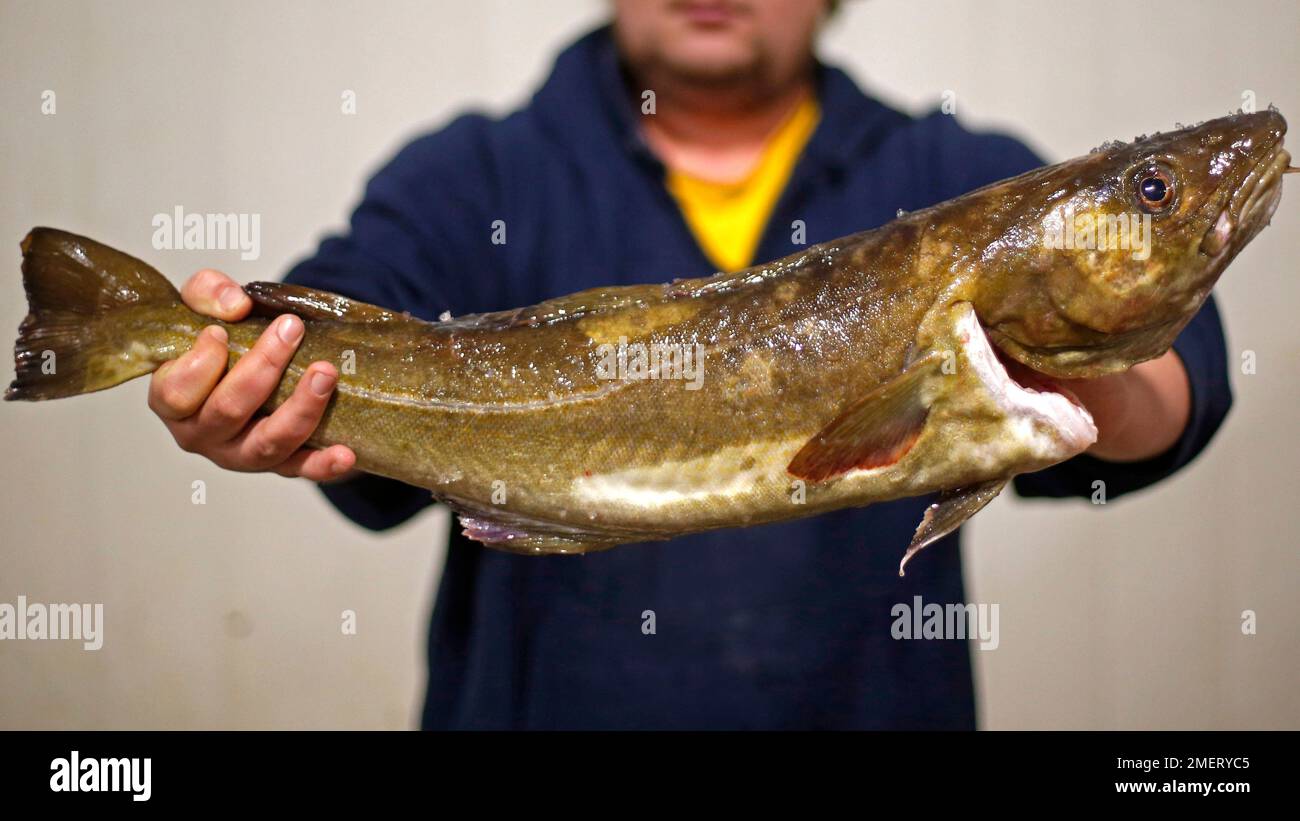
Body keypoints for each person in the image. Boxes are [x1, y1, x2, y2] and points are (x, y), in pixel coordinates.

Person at [146, 0, 1230, 729]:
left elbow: (1177, 396)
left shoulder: (953, 173)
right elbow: (338, 339)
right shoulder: (472, 174)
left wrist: (1047, 353)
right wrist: (242, 377)